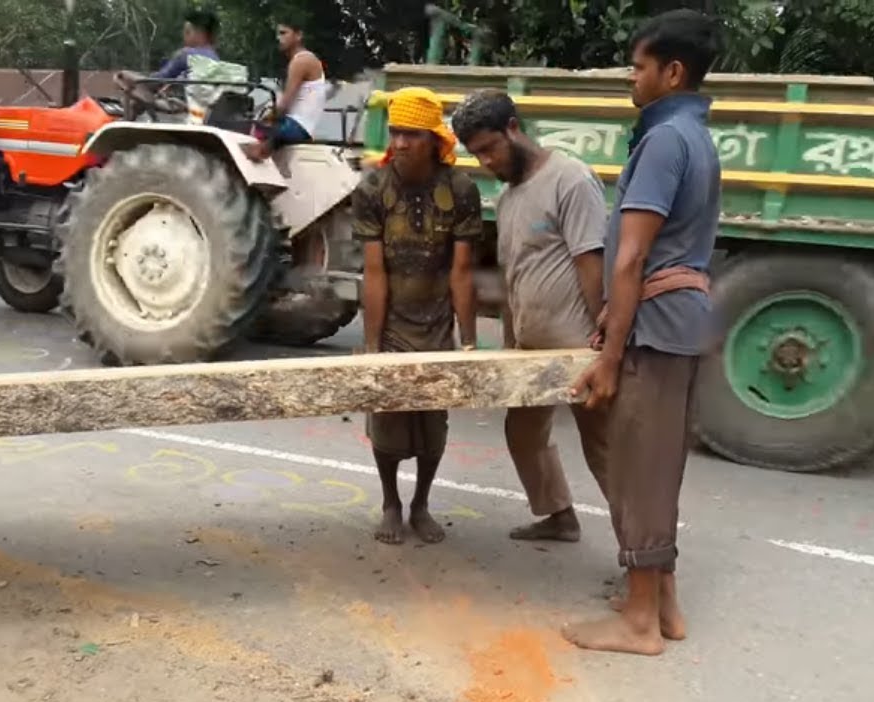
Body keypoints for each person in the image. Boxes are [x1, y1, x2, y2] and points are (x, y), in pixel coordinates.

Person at [563, 9, 723, 656]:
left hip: (655, 327)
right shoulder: (696, 136)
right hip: (679, 323)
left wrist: (610, 354)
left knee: (639, 469)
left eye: (638, 66)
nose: (631, 78)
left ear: (672, 71)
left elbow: (630, 258)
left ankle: (637, 623)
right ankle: (664, 606)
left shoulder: (664, 143)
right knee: (659, 466)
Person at [450, 89, 610, 544]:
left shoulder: (570, 180)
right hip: (530, 348)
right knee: (523, 434)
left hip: (581, 347)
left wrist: (604, 339)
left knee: (605, 449)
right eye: (475, 154)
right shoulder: (507, 199)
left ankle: (641, 556)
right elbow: (513, 276)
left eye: (489, 149)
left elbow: (589, 261)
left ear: (514, 129)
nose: (484, 162)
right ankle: (559, 516)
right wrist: (509, 341)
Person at [352, 87, 483, 545]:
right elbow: (374, 272)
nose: (401, 143)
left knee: (432, 427)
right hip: (391, 327)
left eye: (411, 134)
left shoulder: (460, 190)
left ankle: (422, 503)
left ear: (433, 138)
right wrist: (372, 349)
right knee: (387, 422)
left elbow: (462, 272)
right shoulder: (372, 189)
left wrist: (467, 345)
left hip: (437, 326)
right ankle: (390, 501)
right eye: (396, 133)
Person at [245, 20, 327, 160]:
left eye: (284, 33)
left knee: (249, 132)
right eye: (278, 34)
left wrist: (265, 118)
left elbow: (284, 106)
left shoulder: (301, 61)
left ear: (298, 35)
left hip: (296, 126)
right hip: (301, 125)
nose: (279, 38)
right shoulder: (304, 59)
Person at [114, 9, 220, 109]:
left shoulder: (186, 55)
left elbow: (157, 80)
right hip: (203, 107)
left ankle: (127, 118)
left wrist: (129, 76)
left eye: (187, 32)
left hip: (182, 106)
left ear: (199, 34)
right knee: (140, 97)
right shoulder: (216, 59)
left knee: (121, 77)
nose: (184, 36)